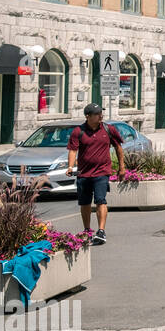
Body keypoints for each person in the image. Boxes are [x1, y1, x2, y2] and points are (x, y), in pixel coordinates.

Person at [66, 103, 125, 245]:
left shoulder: (108, 129)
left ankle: (101, 231)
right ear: (88, 116)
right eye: (97, 114)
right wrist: (70, 166)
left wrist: (122, 167)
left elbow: (118, 147)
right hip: (84, 173)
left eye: (101, 113)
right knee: (85, 203)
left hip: (102, 172)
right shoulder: (78, 131)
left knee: (100, 200)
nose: (101, 116)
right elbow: (73, 150)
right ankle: (87, 230)